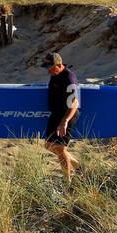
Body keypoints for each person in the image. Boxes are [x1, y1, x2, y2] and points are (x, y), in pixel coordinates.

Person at [42, 52, 80, 180]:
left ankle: (67, 181)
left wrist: (64, 121)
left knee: (60, 147)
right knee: (48, 145)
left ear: (59, 65)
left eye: (51, 68)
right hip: (56, 114)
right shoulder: (55, 75)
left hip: (67, 114)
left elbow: (74, 103)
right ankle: (77, 166)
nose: (49, 71)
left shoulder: (69, 78)